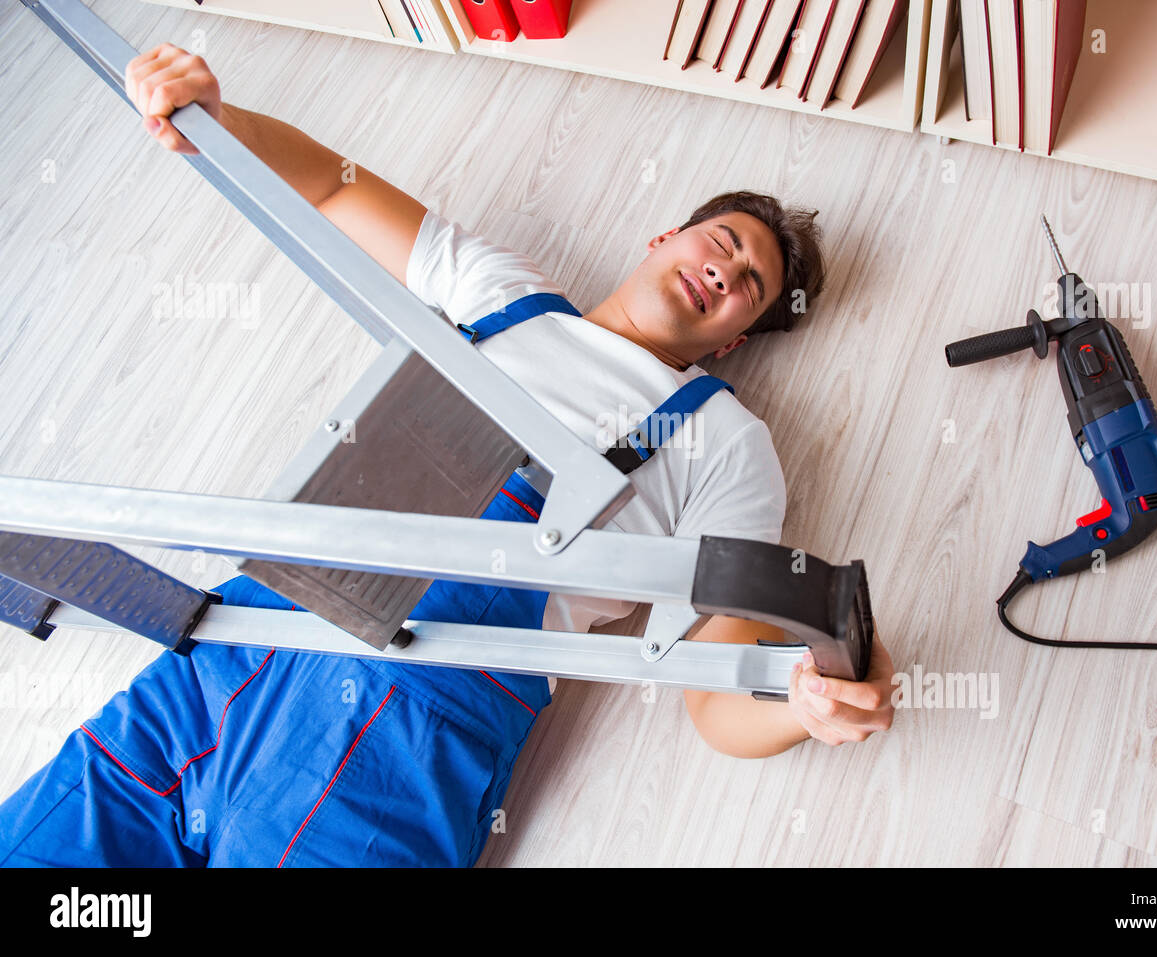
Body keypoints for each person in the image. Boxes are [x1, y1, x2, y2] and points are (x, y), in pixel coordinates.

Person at [0, 44, 895, 867]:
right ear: (665, 238)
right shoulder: (506, 297)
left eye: (751, 289)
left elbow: (713, 688)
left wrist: (801, 704)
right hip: (237, 643)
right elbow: (331, 190)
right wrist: (220, 123)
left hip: (406, 731)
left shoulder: (728, 445)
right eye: (724, 244)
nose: (727, 274)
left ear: (735, 342)